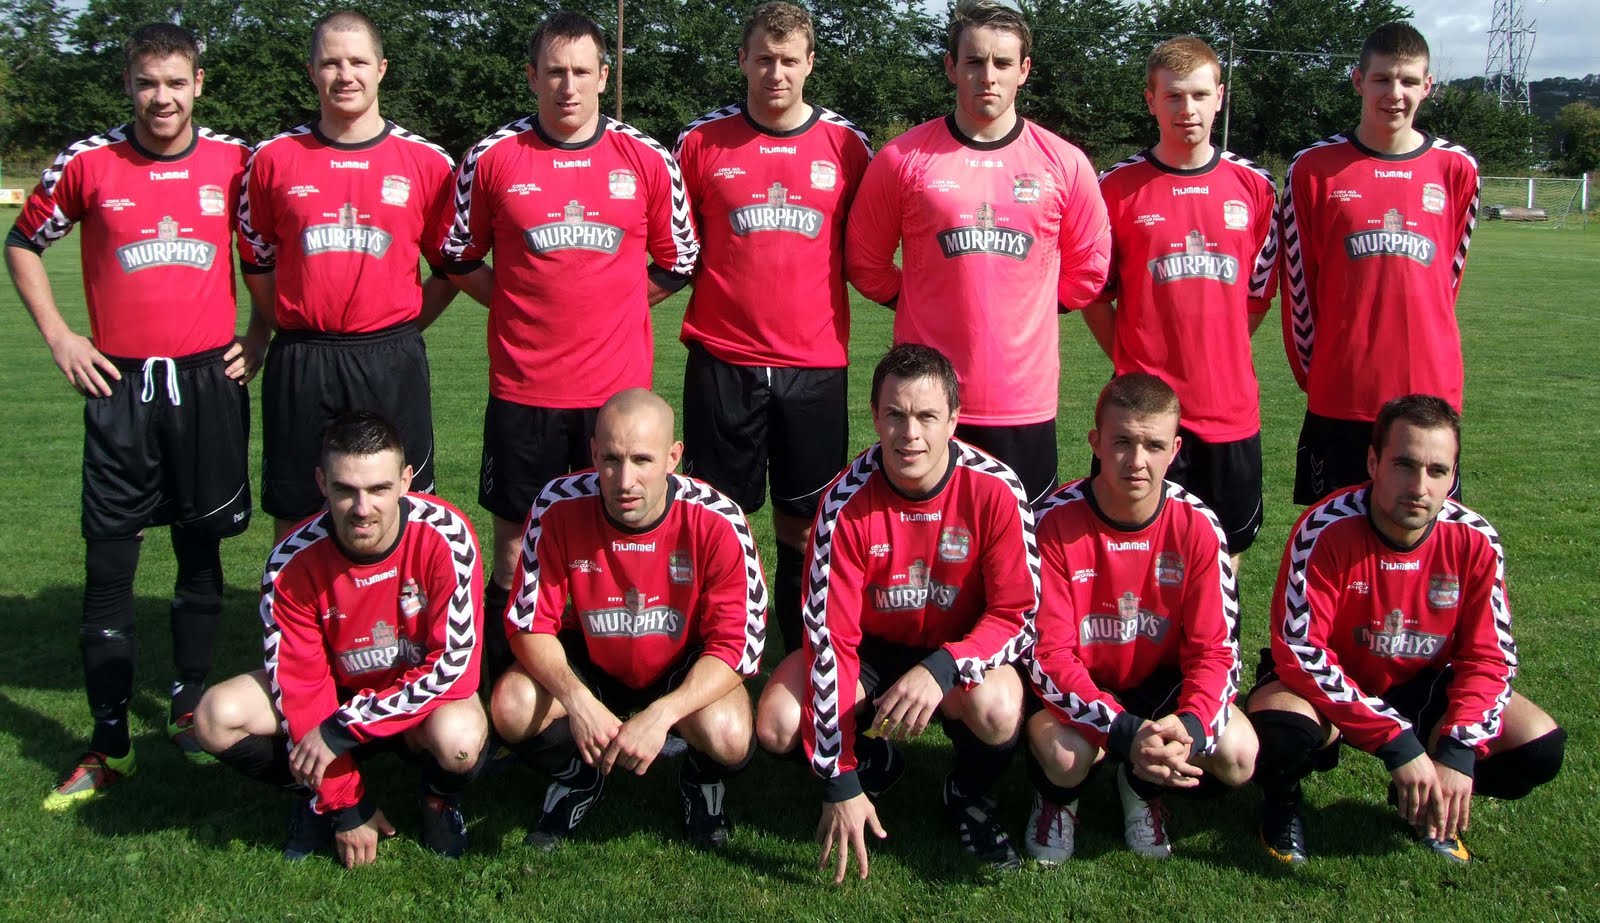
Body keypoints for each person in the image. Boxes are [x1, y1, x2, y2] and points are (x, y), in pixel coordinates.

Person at [6, 22, 261, 808]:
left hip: (206, 382)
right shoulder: (88, 162)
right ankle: (108, 741)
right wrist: (61, 337)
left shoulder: (236, 161)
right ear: (127, 84)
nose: (162, 97)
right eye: (147, 82)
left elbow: (273, 251)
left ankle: (188, 704)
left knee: (200, 551)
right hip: (119, 387)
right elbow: (23, 243)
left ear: (199, 83)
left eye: (176, 82)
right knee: (110, 561)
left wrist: (260, 333)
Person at [441, 12, 700, 674]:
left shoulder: (647, 158)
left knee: (617, 546)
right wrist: (517, 299)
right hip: (523, 392)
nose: (568, 85)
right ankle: (508, 694)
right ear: (532, 76)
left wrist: (616, 304)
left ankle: (613, 679)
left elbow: (680, 260)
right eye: (554, 72)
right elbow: (456, 256)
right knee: (514, 550)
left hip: (615, 403)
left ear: (603, 76)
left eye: (582, 71)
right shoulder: (492, 157)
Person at [756, 343, 1037, 881]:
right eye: (896, 415)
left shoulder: (997, 488)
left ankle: (967, 793)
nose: (910, 434)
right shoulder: (843, 503)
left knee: (999, 707)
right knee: (777, 722)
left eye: (927, 416)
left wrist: (943, 667)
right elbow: (830, 641)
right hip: (871, 650)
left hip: (957, 649)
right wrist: (839, 777)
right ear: (875, 416)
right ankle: (874, 761)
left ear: (953, 419)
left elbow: (1017, 614)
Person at [1248, 395, 1564, 864]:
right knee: (1281, 730)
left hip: (1421, 682)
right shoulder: (1325, 528)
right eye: (1404, 465)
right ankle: (1282, 804)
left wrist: (1458, 749)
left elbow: (1489, 657)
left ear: (1453, 477)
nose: (1419, 486)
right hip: (1331, 684)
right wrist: (1396, 742)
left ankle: (1422, 801)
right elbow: (1301, 650)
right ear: (1373, 462)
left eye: (1437, 471)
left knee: (1539, 747)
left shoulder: (1476, 538)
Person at [192, 411, 487, 865]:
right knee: (216, 715)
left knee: (460, 739)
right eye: (346, 489)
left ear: (406, 481)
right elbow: (301, 687)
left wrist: (343, 729)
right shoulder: (291, 562)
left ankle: (438, 800)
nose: (362, 508)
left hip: (414, 703)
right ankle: (314, 795)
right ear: (321, 483)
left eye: (379, 489)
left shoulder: (446, 535)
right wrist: (346, 805)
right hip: (334, 695)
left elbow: (454, 668)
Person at [845, 0, 1110, 504]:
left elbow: (1090, 269)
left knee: (1021, 538)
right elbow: (865, 261)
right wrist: (918, 299)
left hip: (1022, 399)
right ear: (951, 67)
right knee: (927, 538)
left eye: (1003, 62)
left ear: (1024, 70)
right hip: (925, 400)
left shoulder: (1065, 162)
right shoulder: (902, 158)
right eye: (974, 61)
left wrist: (1027, 309)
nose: (988, 75)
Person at [673, 1, 873, 656]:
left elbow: (868, 248)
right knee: (713, 524)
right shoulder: (700, 143)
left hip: (814, 367)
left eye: (789, 60)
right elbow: (675, 251)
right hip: (722, 362)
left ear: (810, 63)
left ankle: (797, 666)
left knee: (806, 528)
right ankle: (710, 665)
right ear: (742, 60)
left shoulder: (848, 146)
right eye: (763, 59)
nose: (776, 73)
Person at [490, 389, 767, 850]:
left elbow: (739, 644)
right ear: (593, 452)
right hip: (594, 659)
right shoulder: (557, 504)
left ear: (673, 457)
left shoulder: (718, 518)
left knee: (730, 735)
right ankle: (580, 776)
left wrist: (664, 713)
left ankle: (699, 779)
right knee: (511, 707)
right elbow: (527, 624)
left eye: (642, 460)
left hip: (680, 663)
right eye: (611, 460)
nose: (624, 480)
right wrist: (577, 700)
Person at [239, 9, 458, 539]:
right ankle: (294, 597)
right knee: (297, 508)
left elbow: (451, 267)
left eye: (358, 62)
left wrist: (401, 327)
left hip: (391, 357)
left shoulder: (428, 162)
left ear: (381, 68)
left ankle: (399, 593)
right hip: (303, 357)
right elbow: (258, 262)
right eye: (331, 63)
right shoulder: (272, 159)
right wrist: (280, 327)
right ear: (311, 71)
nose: (345, 75)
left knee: (402, 503)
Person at [1024, 373, 1254, 864]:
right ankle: (1057, 800)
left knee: (1238, 754)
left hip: (1159, 688)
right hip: (1081, 685)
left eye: (1153, 445)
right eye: (1122, 442)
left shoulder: (1199, 525)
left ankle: (1140, 787)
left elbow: (1217, 650)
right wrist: (1126, 732)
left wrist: (1189, 728)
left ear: (1174, 450)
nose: (1136, 460)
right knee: (1066, 755)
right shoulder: (1053, 522)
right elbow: (1048, 656)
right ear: (1096, 443)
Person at [1084, 37, 1277, 565]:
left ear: (1220, 97)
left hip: (1228, 410)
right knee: (1130, 551)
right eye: (1172, 96)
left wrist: (1218, 353)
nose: (1186, 109)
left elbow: (1257, 298)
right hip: (1141, 412)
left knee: (1223, 557)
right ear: (1151, 100)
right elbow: (1095, 298)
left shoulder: (1255, 187)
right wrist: (1132, 361)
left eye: (1198, 94)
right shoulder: (1115, 187)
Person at [1280, 23, 1479, 504]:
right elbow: (1299, 288)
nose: (1395, 93)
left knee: (1421, 530)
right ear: (1358, 81)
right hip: (1343, 390)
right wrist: (1321, 373)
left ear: (1427, 86)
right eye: (1382, 79)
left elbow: (1447, 279)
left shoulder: (1457, 169)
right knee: (1335, 531)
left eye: (1408, 81)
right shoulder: (1312, 169)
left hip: (1430, 393)